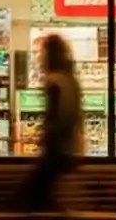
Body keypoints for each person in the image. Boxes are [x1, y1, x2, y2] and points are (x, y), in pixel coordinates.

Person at [21, 33, 84, 214]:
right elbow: (74, 115)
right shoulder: (70, 78)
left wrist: (45, 135)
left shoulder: (54, 81)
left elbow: (55, 115)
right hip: (69, 146)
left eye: (42, 52)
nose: (39, 57)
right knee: (43, 195)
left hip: (57, 148)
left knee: (33, 194)